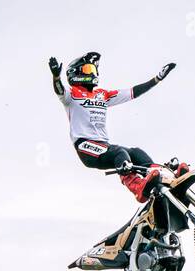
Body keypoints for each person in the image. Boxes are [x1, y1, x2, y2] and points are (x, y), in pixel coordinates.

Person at [49, 52, 186, 202]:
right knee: (119, 153)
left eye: (94, 70)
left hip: (104, 145)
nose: (94, 73)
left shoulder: (102, 94)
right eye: (89, 70)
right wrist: (56, 77)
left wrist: (157, 79)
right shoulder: (71, 94)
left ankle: (167, 176)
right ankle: (137, 187)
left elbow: (132, 92)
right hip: (85, 146)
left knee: (135, 152)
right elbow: (59, 90)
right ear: (76, 73)